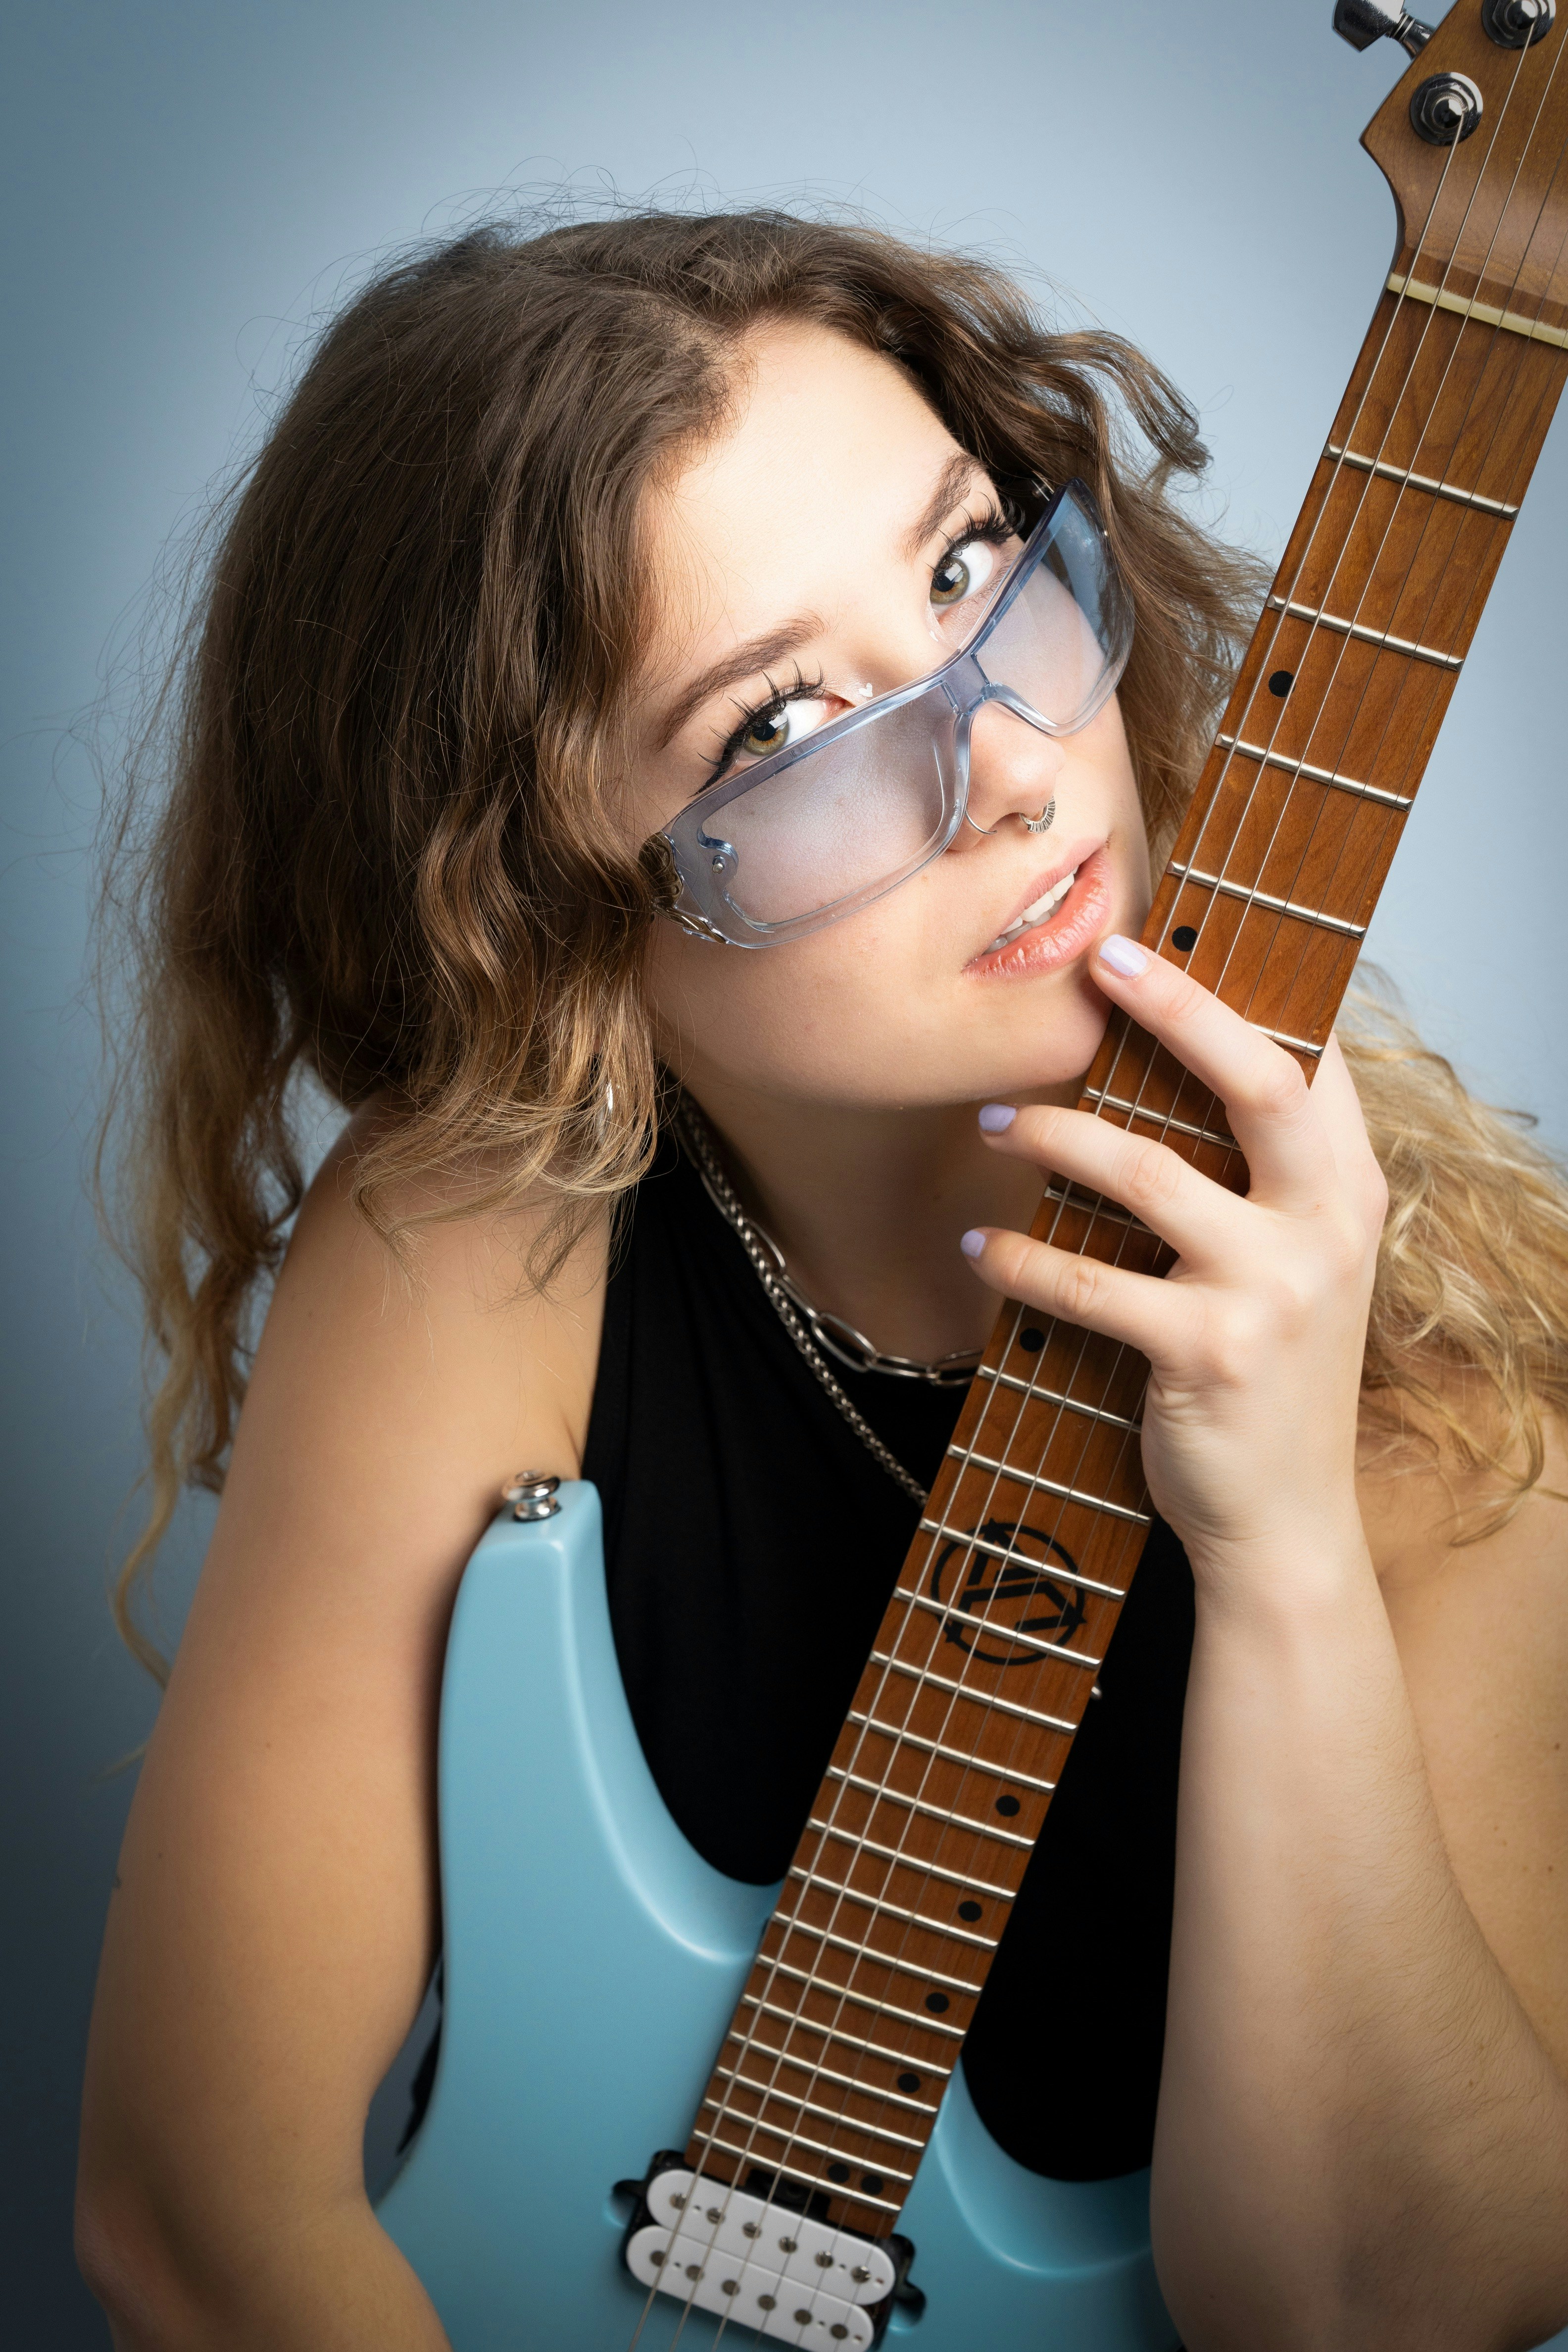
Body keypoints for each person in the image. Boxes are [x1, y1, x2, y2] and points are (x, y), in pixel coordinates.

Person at [75, 212, 1568, 2352]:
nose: (1016, 772)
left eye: (967, 570)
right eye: (783, 723)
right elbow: (193, 2213)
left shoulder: (1457, 1371)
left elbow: (1374, 2313)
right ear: (536, 906)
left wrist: (1290, 1551)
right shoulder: (471, 1256)